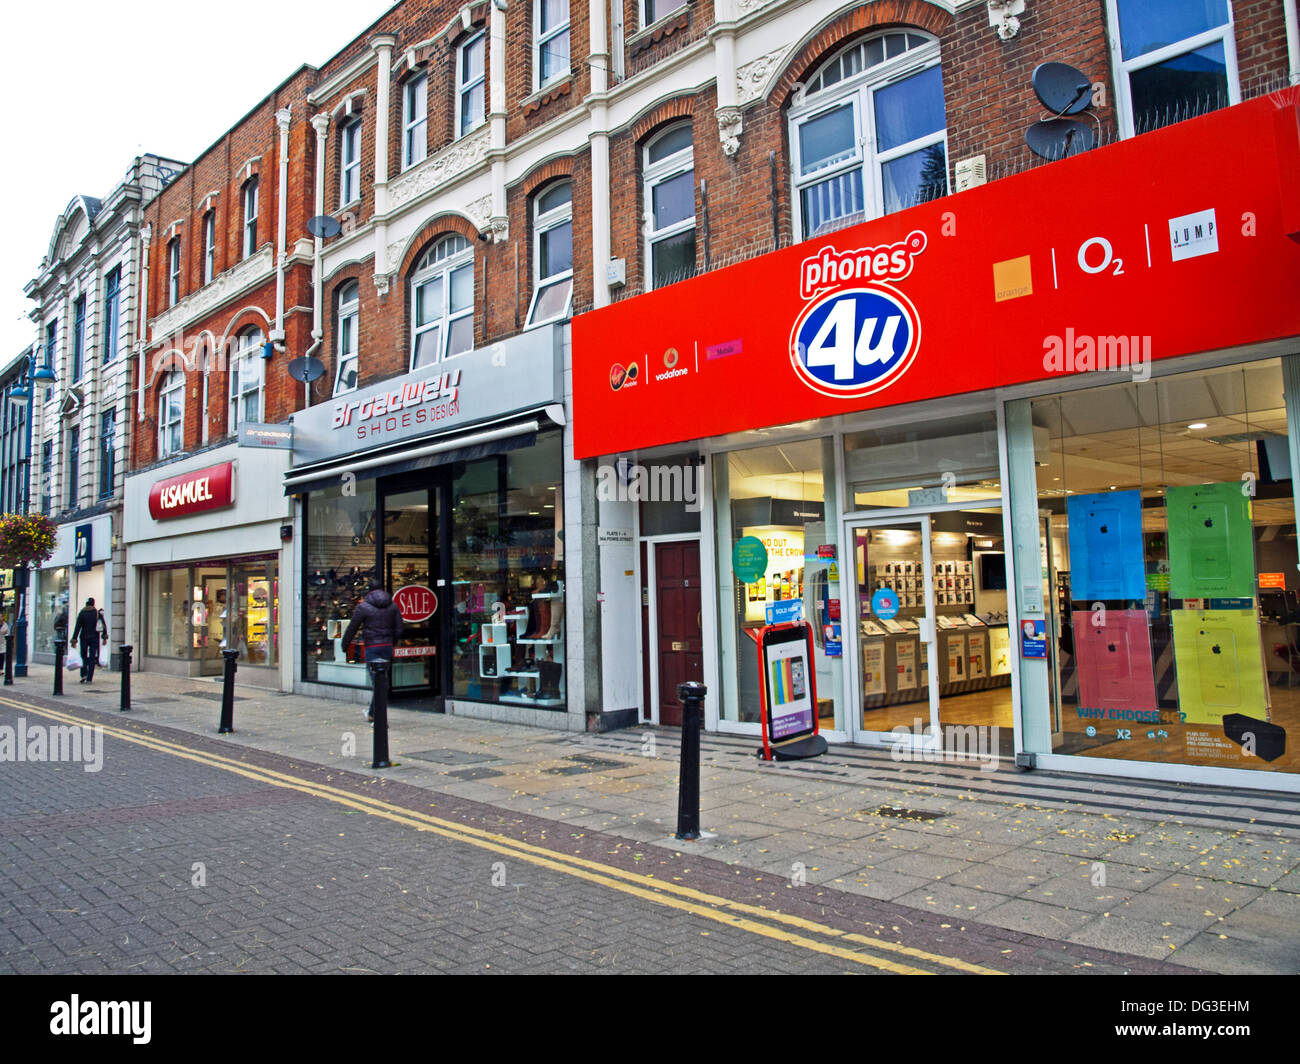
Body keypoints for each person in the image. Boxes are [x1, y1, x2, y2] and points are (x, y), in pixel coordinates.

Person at [341, 585, 404, 723]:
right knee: (382, 681)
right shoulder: (393, 606)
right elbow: (399, 629)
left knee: (377, 682)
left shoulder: (364, 607)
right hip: (386, 647)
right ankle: (373, 713)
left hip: (372, 647)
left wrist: (345, 645)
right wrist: (391, 642)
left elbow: (353, 627)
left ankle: (375, 715)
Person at [71, 597, 108, 684]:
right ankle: (89, 678)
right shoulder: (97, 614)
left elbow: (78, 627)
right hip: (94, 637)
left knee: (83, 656)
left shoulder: (82, 613)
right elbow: (103, 625)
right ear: (93, 604)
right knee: (92, 657)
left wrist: (74, 639)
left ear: (86, 603)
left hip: (84, 637)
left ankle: (84, 674)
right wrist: (104, 637)